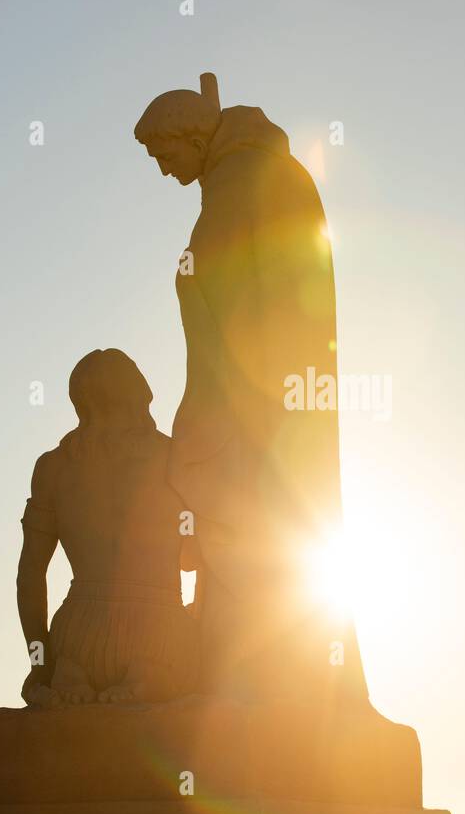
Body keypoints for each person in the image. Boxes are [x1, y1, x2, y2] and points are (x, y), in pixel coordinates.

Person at [134, 73, 368, 704]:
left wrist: (188, 285)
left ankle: (255, 682)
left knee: (242, 521)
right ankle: (253, 675)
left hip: (254, 405)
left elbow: (237, 303)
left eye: (163, 155)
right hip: (277, 399)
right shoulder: (262, 176)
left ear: (190, 134)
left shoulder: (242, 183)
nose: (163, 171)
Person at [17, 349, 197, 707]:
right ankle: (146, 677)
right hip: (158, 631)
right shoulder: (175, 459)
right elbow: (193, 560)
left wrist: (41, 663)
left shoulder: (52, 468)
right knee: (176, 665)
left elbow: (30, 575)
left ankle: (74, 674)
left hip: (77, 636)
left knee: (70, 672)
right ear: (138, 396)